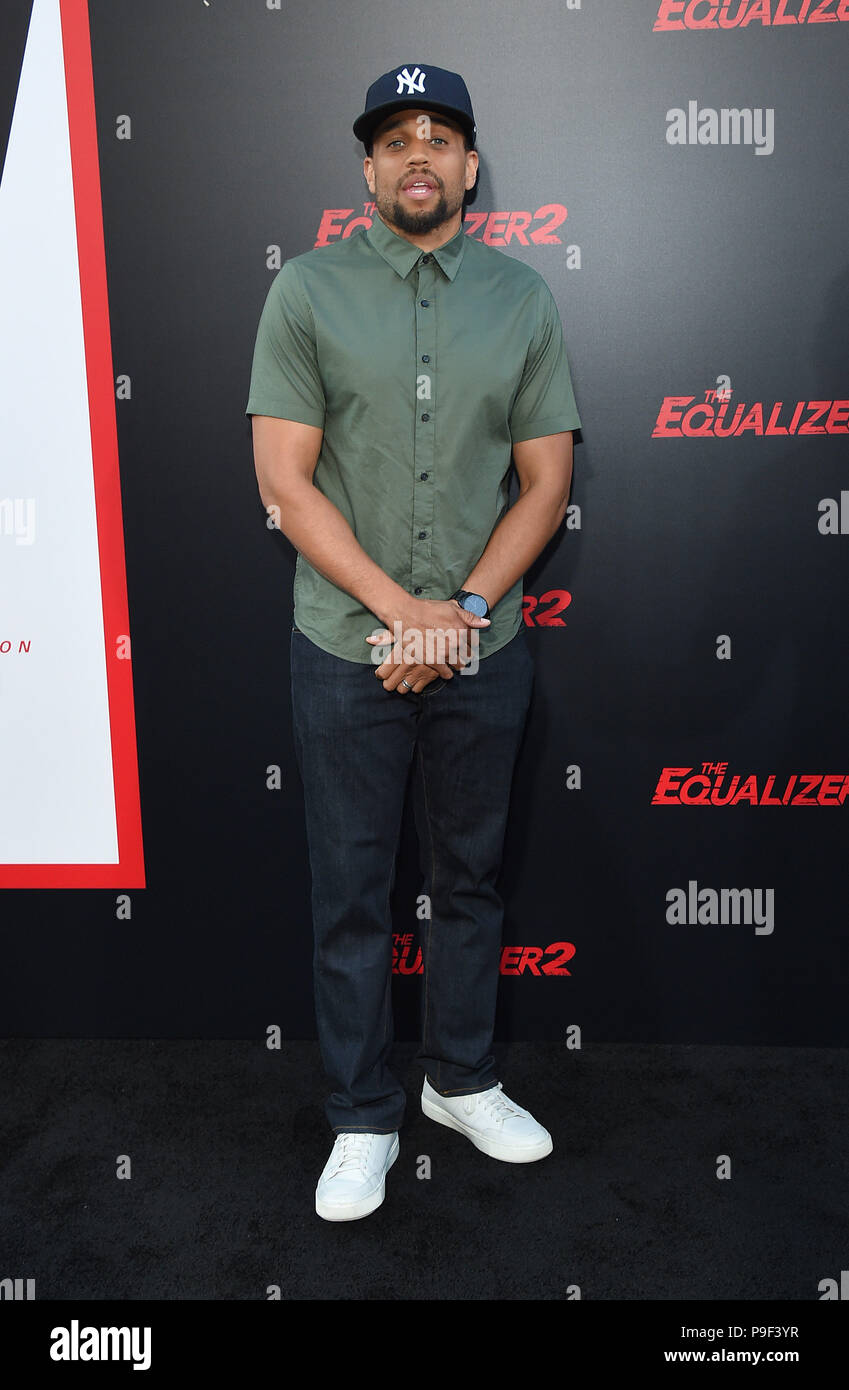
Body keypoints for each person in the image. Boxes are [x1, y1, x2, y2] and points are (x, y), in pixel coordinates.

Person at [245, 63, 581, 1222]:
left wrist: (464, 616)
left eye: (440, 135)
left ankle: (464, 1081)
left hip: (485, 638)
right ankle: (360, 1114)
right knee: (351, 892)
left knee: (470, 880)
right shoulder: (306, 293)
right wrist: (406, 612)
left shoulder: (523, 298)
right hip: (347, 643)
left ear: (472, 166)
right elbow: (284, 482)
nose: (418, 154)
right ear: (369, 170)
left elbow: (546, 485)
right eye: (395, 139)